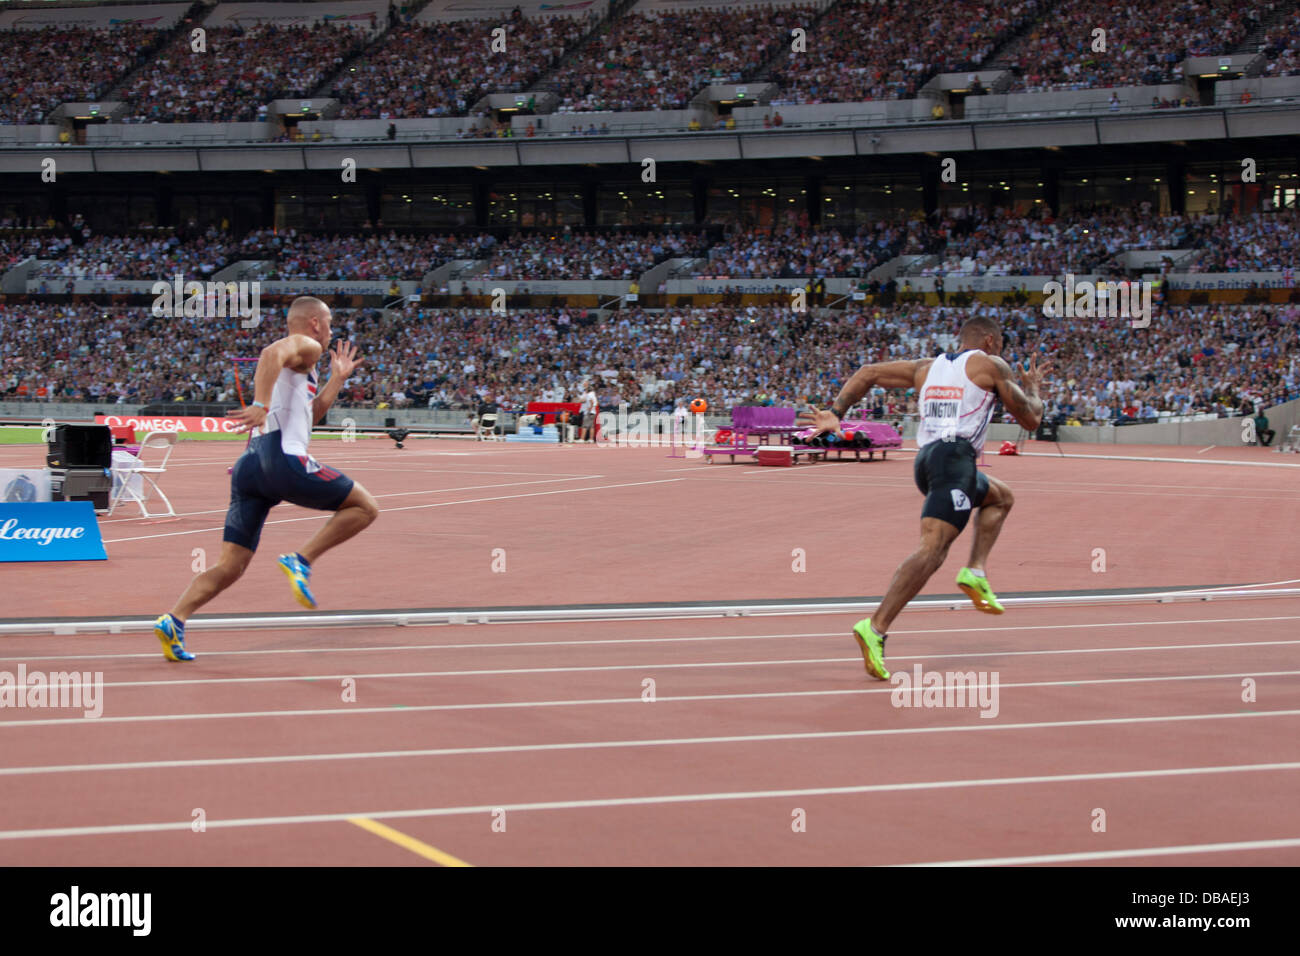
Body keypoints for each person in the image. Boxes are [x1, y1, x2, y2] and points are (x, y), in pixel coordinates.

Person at [798, 315, 1051, 680]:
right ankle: (876, 627)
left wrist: (835, 414)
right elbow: (1031, 421)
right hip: (955, 459)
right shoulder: (992, 364)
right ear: (992, 342)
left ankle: (975, 571)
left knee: (1000, 497)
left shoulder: (925, 368)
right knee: (932, 550)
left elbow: (868, 372)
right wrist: (1034, 389)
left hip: (927, 462)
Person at [151, 297, 380, 662]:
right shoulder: (306, 346)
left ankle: (174, 620)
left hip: (251, 468)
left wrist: (337, 379)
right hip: (281, 461)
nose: (333, 331)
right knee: (366, 507)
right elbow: (271, 352)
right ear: (316, 324)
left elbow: (313, 414)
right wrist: (259, 402)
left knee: (231, 565)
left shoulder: (305, 368)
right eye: (331, 323)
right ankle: (301, 560)